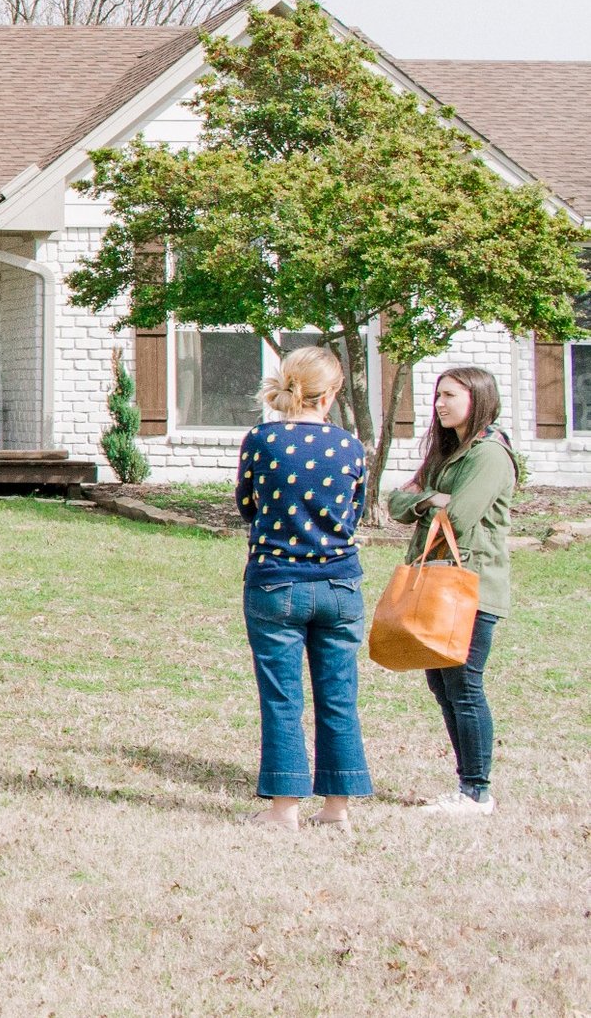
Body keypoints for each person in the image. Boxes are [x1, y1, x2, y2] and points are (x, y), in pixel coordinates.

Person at [234, 344, 371, 828]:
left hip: (277, 582)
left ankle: (285, 809)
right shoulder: (350, 447)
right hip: (339, 584)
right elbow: (353, 514)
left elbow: (247, 505)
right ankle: (337, 808)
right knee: (339, 695)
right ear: (330, 394)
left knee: (282, 697)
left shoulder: (261, 440)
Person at [387, 365, 517, 818]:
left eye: (450, 396)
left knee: (463, 686)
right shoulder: (448, 453)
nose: (439, 404)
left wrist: (434, 500)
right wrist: (428, 500)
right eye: (438, 396)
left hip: (471, 587)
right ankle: (467, 787)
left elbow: (458, 518)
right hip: (438, 584)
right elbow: (397, 502)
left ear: (477, 399)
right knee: (442, 685)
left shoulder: (488, 456)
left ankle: (476, 791)